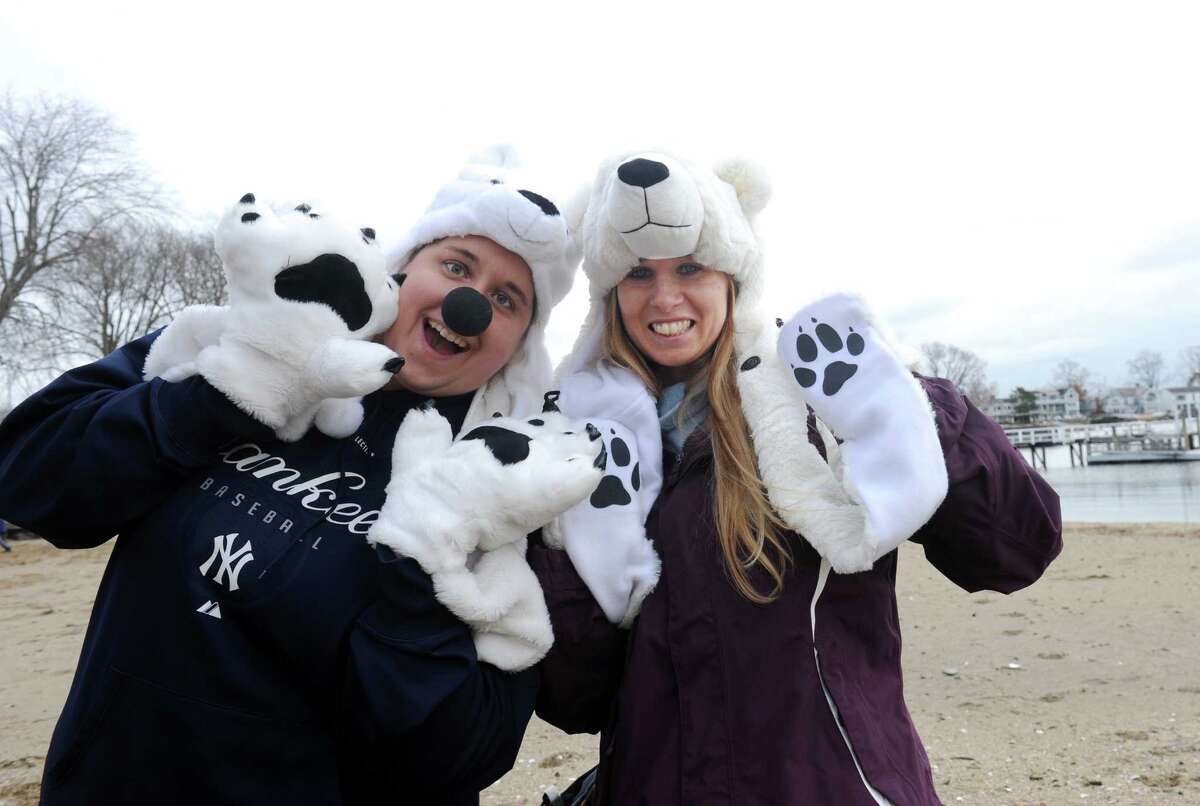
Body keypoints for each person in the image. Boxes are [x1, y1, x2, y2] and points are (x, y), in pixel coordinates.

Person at [0, 149, 582, 806]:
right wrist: (232, 392)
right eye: (455, 266)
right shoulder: (231, 343)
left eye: (507, 299)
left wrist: (424, 569)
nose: (470, 302)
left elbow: (460, 755)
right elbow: (27, 479)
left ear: (520, 346)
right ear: (401, 269)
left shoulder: (503, 489)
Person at [530, 151, 1063, 805]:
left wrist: (915, 405)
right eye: (639, 273)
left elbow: (1015, 549)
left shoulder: (817, 407)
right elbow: (574, 697)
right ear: (611, 293)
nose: (665, 297)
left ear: (733, 277)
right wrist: (558, 539)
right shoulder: (578, 450)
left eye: (691, 267)